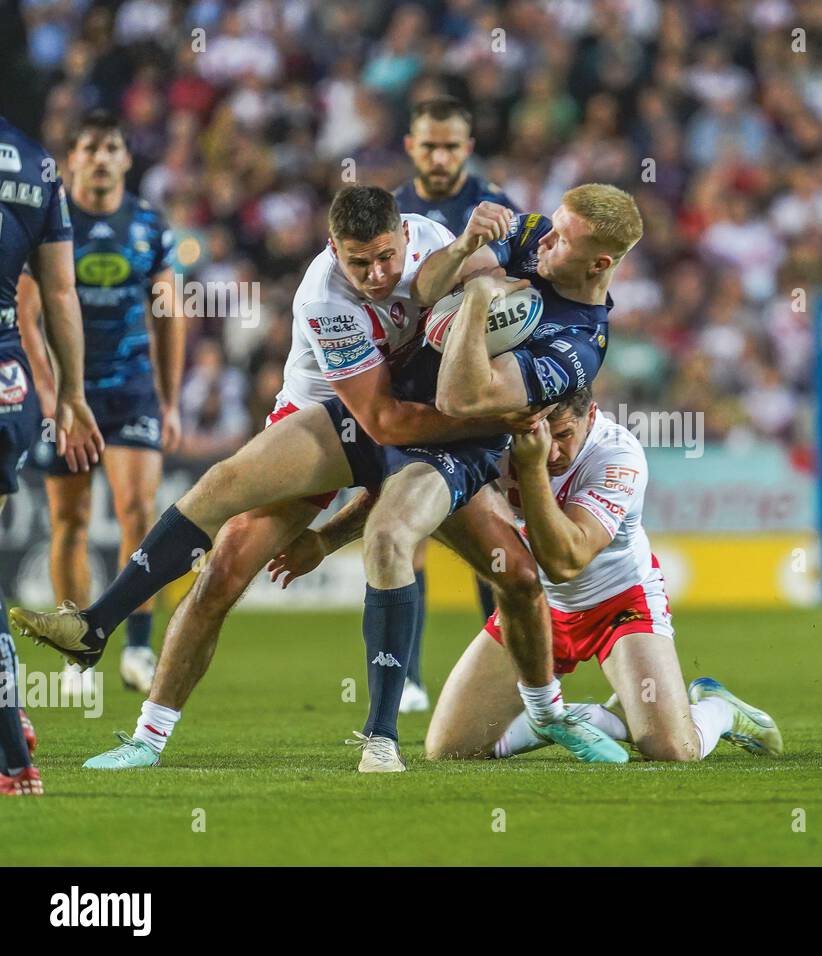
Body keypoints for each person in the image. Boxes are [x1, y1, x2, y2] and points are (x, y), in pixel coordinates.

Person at [14, 184, 642, 771]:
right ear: (334, 249)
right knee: (224, 543)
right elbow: (383, 416)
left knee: (515, 577)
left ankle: (537, 714)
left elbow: (450, 394)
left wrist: (480, 341)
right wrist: (470, 263)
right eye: (358, 262)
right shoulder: (331, 293)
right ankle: (126, 689)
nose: (376, 276)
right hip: (345, 412)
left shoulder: (577, 343)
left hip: (447, 437)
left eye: (385, 259)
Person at [273, 387, 781, 762]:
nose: (555, 450)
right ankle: (577, 718)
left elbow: (566, 559)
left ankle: (716, 707)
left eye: (565, 435)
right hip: (534, 607)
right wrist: (326, 539)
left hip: (619, 604)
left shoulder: (618, 454)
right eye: (540, 435)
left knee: (673, 749)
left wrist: (533, 466)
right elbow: (407, 491)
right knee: (450, 749)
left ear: (591, 416)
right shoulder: (495, 441)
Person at [17, 110, 183, 695]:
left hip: (132, 391)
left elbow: (169, 315)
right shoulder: (49, 221)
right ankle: (74, 650)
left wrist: (169, 401)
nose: (101, 158)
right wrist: (51, 393)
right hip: (71, 394)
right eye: (89, 148)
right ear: (72, 160)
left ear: (126, 159)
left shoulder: (150, 225)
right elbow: (28, 315)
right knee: (72, 519)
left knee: (139, 510)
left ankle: (137, 645)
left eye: (112, 147)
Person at [392, 94, 517, 713]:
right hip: (409, 387)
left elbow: (518, 285)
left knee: (490, 535)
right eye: (429, 146)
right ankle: (410, 680)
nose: (439, 157)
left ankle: (504, 673)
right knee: (404, 532)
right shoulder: (391, 210)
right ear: (410, 147)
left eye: (450, 147)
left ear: (467, 148)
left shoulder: (493, 206)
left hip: (474, 388)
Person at [0, 114, 104, 795]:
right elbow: (60, 291)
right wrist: (71, 394)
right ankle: (13, 721)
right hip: (9, 384)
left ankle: (13, 760)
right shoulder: (36, 165)